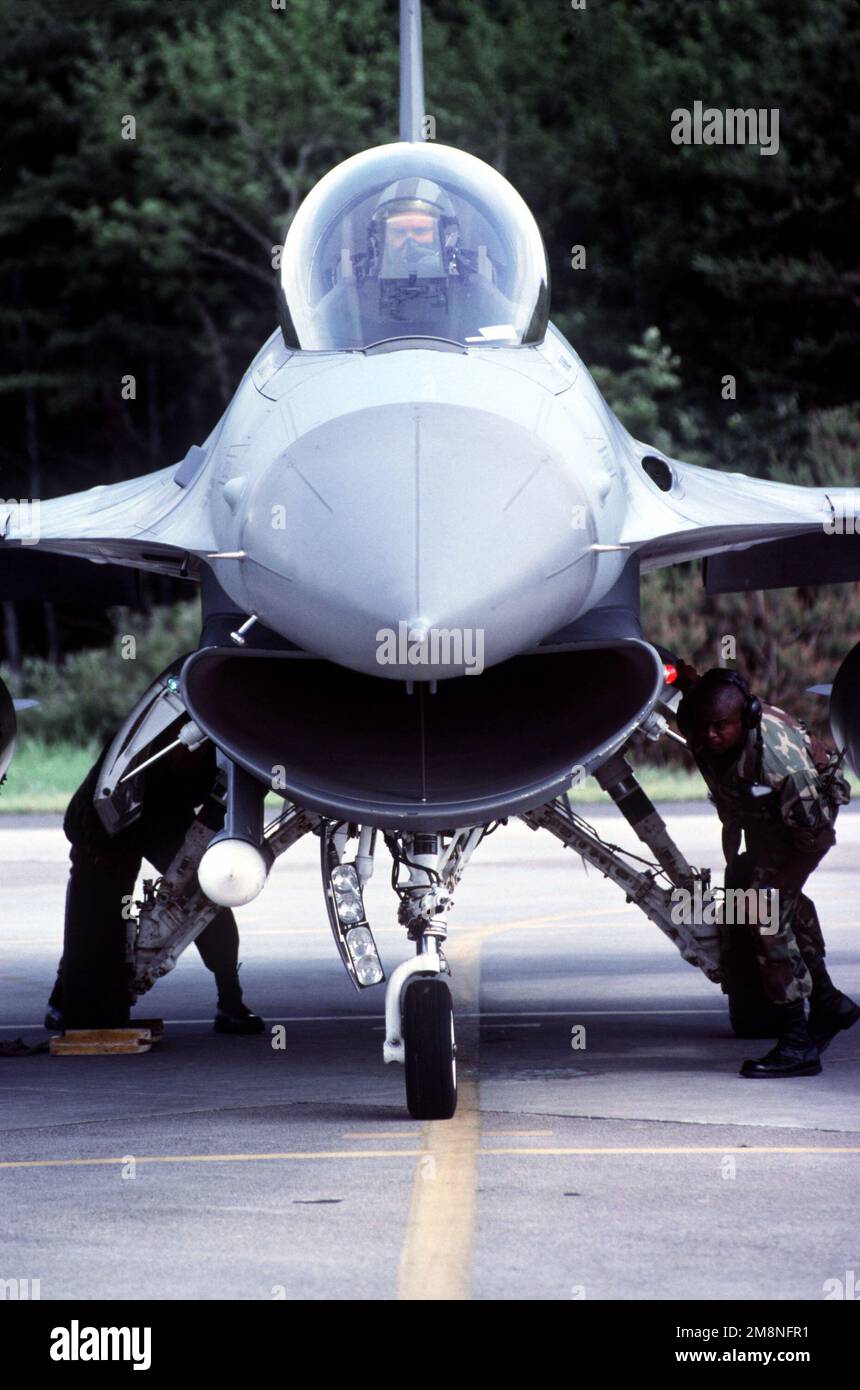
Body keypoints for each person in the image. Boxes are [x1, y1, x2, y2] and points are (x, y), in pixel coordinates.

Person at [675, 666, 857, 1077]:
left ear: (748, 718)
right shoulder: (703, 719)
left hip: (803, 826)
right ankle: (828, 1005)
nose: (709, 736)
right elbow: (695, 692)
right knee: (766, 899)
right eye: (703, 727)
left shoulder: (782, 766)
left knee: (763, 911)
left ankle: (798, 1043)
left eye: (721, 726)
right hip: (767, 818)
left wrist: (777, 890)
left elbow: (818, 837)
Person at [45, 727, 264, 1036]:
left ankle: (230, 999)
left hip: (164, 811)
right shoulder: (151, 739)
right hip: (107, 822)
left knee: (208, 892)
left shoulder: (219, 732)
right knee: (98, 918)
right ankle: (66, 1001)